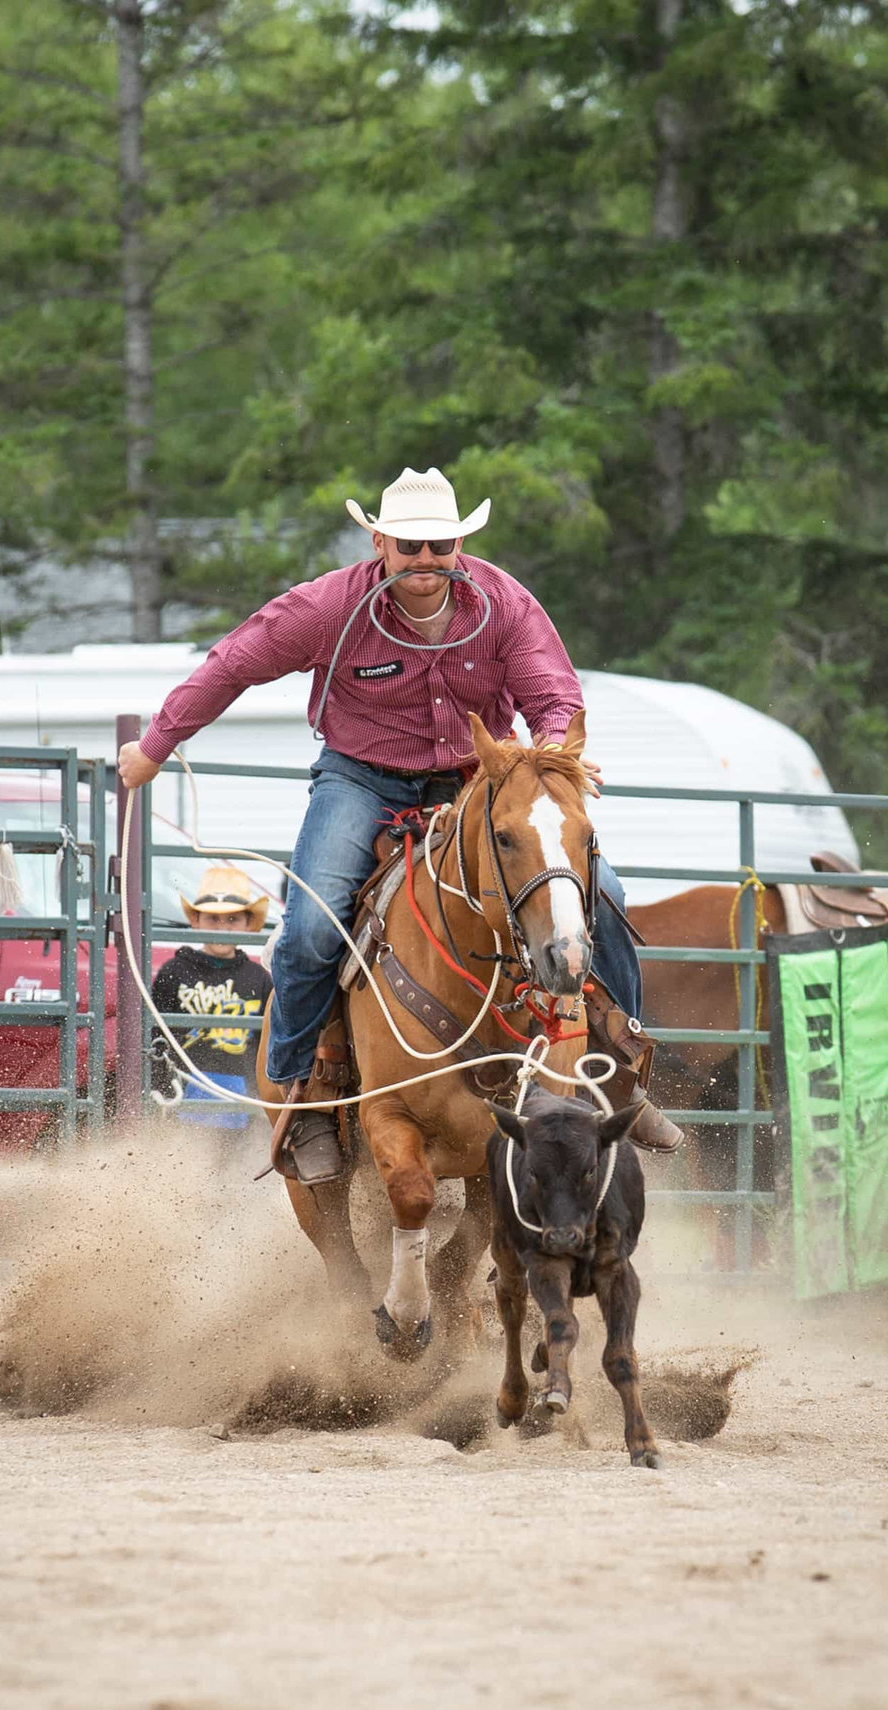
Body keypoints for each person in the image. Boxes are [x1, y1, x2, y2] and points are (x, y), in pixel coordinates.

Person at [120, 465, 683, 1184]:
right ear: (380, 542)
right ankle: (304, 1096)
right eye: (410, 546)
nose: (425, 561)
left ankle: (621, 1073)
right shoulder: (329, 608)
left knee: (600, 892)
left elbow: (553, 692)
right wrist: (155, 746)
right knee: (313, 926)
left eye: (439, 545)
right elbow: (234, 663)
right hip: (362, 778)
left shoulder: (504, 604)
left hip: (484, 780)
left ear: (458, 545)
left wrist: (550, 758)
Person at [150, 865, 273, 1132]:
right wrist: (160, 1087)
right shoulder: (174, 973)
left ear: (248, 924)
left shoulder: (260, 979)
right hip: (183, 1088)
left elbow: (266, 1045)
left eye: (232, 920)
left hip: (242, 1092)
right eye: (213, 919)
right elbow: (156, 1037)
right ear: (196, 920)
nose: (222, 927)